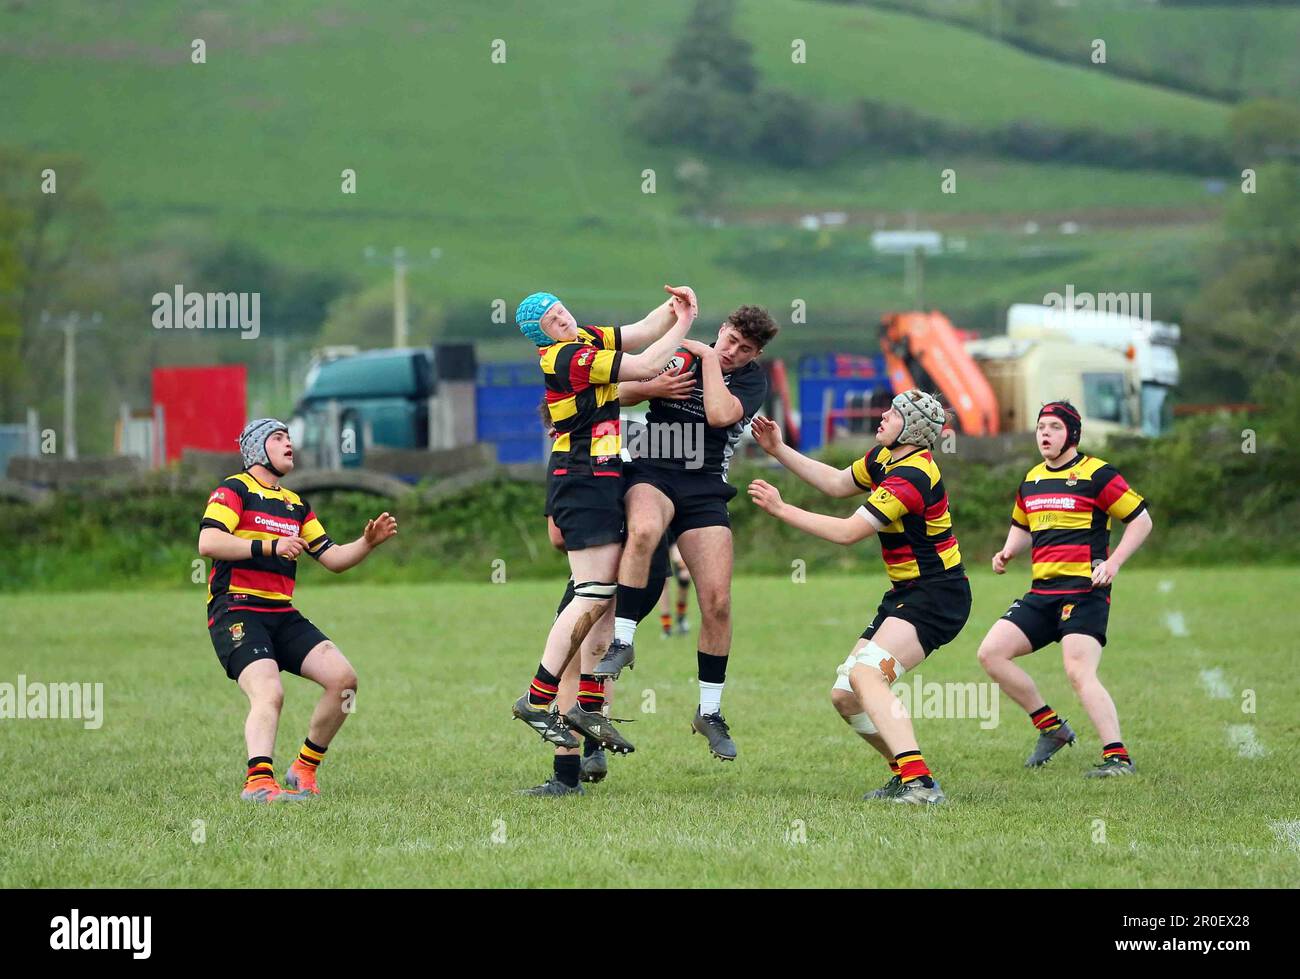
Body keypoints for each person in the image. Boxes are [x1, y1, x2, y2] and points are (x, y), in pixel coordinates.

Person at [747, 391, 968, 804]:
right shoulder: (886, 458)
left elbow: (849, 533)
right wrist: (779, 449)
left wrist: (782, 510)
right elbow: (835, 483)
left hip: (937, 595)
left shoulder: (913, 476)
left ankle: (920, 785)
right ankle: (907, 774)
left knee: (867, 676)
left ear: (914, 428)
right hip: (907, 593)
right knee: (846, 694)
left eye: (894, 412)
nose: (883, 415)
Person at [511, 286, 697, 756]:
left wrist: (673, 308)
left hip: (600, 476)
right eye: (552, 320)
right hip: (581, 478)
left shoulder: (586, 339)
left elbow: (637, 333)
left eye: (562, 309)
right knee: (590, 593)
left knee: (604, 600)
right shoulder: (567, 356)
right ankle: (536, 700)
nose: (563, 319)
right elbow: (644, 365)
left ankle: (588, 709)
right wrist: (687, 326)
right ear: (542, 336)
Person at [594, 306, 779, 762]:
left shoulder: (750, 379)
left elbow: (719, 415)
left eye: (745, 349)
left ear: (755, 354)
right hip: (652, 470)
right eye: (730, 340)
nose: (733, 351)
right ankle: (623, 640)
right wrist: (652, 386)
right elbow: (616, 394)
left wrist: (711, 361)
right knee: (645, 530)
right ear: (722, 329)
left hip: (704, 487)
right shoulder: (679, 354)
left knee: (716, 601)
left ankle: (710, 712)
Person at [199, 418, 397, 802]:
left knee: (344, 681)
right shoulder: (234, 490)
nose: (289, 443)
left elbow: (334, 558)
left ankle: (303, 768)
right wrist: (270, 547)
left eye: (289, 437)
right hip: (237, 609)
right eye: (278, 437)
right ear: (257, 449)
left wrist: (367, 543)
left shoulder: (295, 504)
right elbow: (209, 541)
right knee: (269, 691)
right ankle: (258, 783)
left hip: (281, 613)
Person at [975, 401, 1152, 777]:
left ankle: (1118, 757)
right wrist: (1008, 551)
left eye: (1054, 427)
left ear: (1072, 434)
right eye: (1041, 427)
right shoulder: (1032, 479)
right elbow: (1023, 526)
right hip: (1042, 593)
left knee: (1077, 670)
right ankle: (1051, 727)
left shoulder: (1098, 474)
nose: (1045, 434)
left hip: (1084, 591)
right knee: (991, 653)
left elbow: (1141, 521)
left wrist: (1113, 563)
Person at [657, 538, 692, 638]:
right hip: (660, 536)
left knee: (684, 576)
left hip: (675, 535)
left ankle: (681, 617)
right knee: (663, 581)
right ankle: (666, 625)